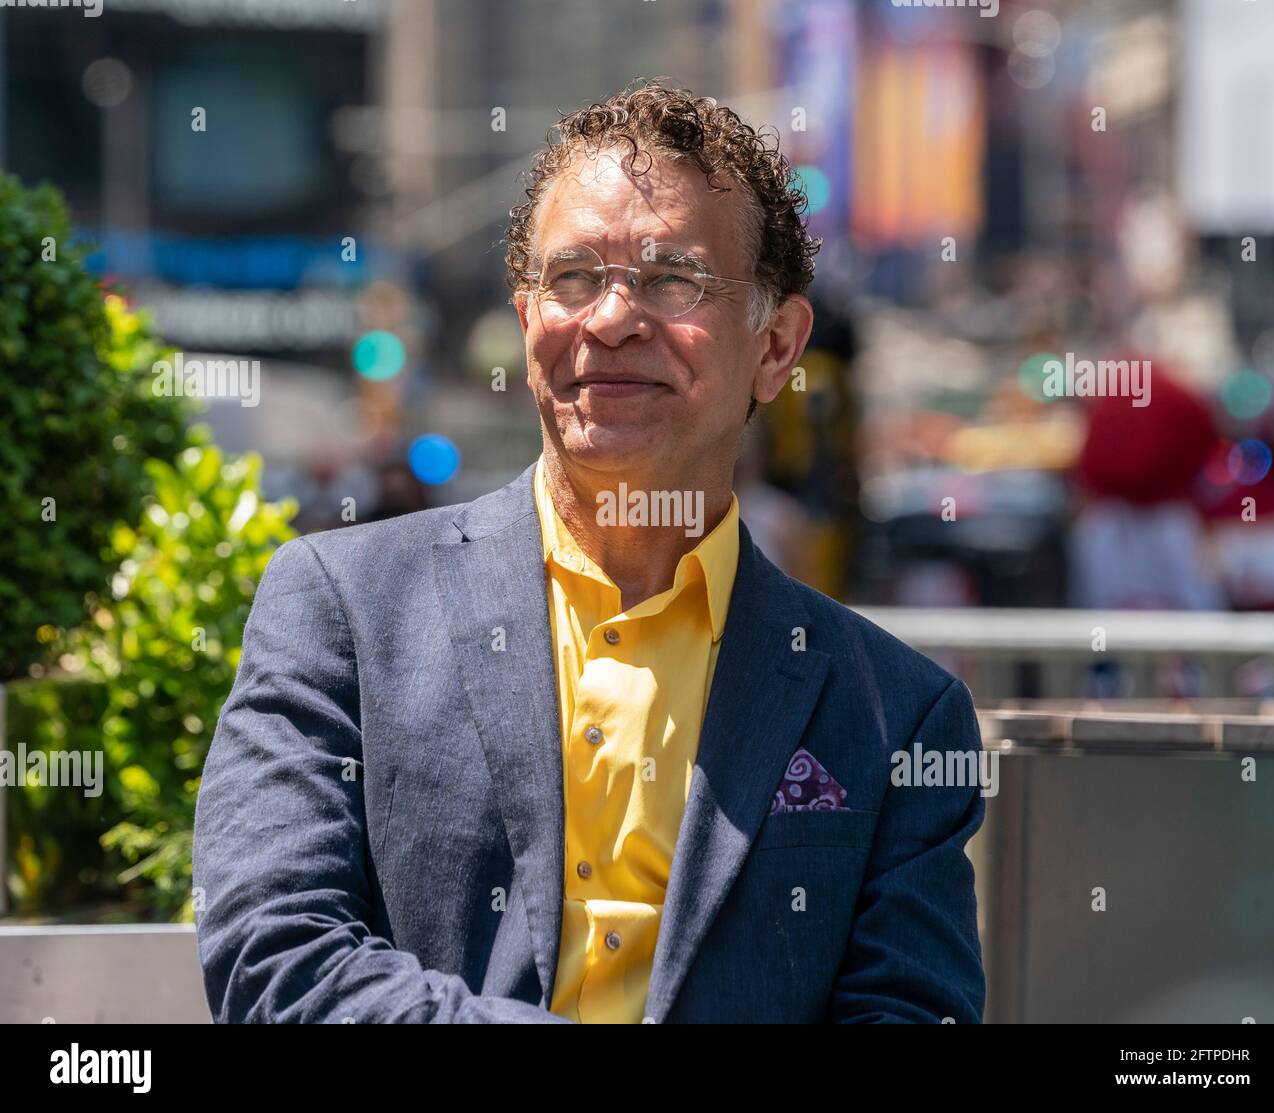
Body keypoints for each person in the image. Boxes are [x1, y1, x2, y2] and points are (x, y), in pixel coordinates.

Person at [192, 78, 986, 1024]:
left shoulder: (898, 714)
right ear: (528, 316)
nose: (610, 319)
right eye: (572, 276)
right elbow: (274, 959)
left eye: (671, 279)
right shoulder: (341, 613)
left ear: (776, 345)